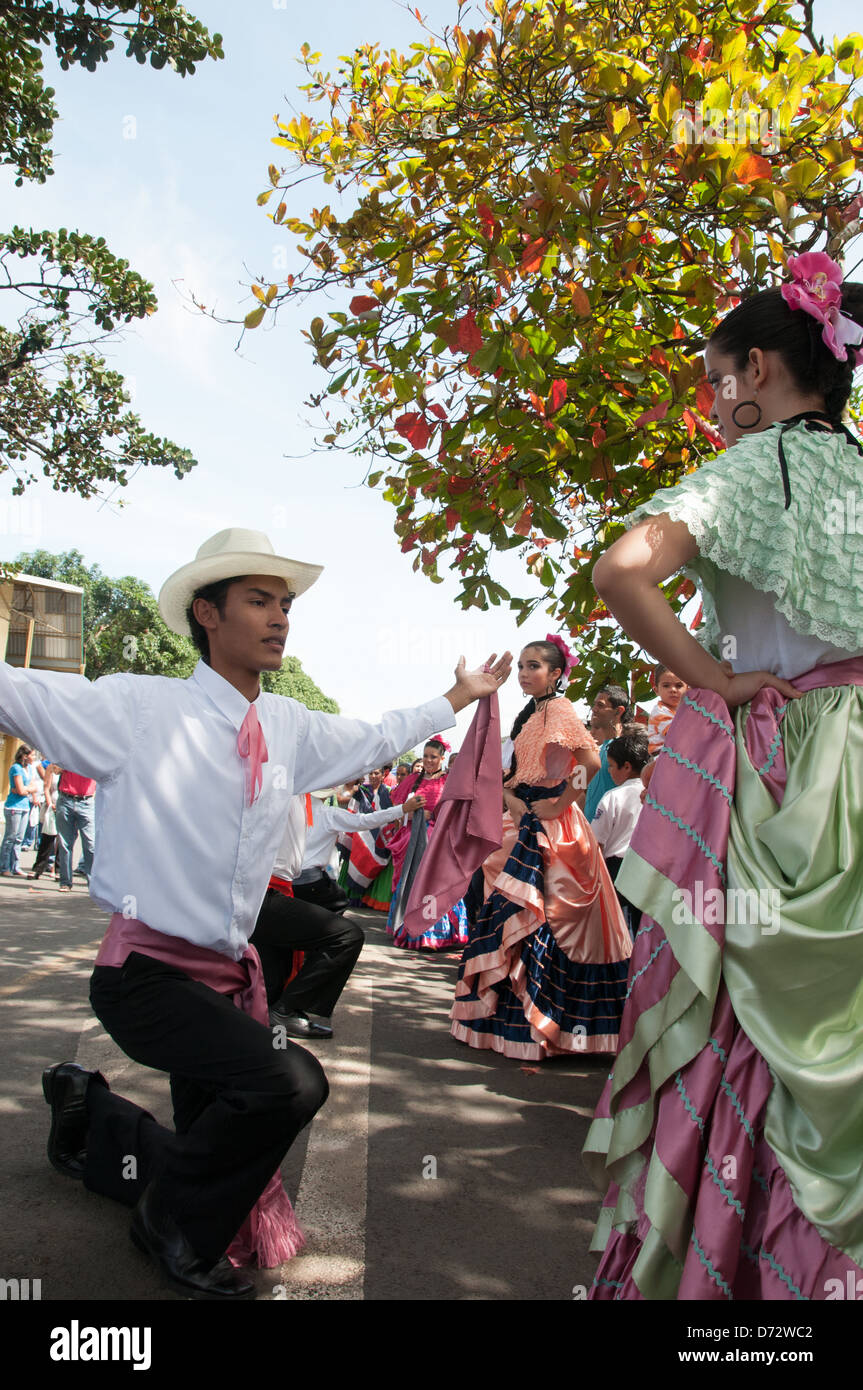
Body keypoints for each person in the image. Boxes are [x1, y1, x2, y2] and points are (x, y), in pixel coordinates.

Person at [26, 526, 511, 1299]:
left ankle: (88, 1110)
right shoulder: (137, 708)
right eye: (259, 600)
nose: (280, 617)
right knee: (290, 1085)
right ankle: (169, 1229)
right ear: (207, 613)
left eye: (284, 604)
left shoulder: (286, 725)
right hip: (145, 978)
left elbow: (374, 736)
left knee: (210, 1145)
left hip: (224, 979)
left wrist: (458, 697)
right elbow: (25, 693)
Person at [583, 252, 863, 1299]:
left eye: (712, 380)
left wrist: (711, 677)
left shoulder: (755, 467)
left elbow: (620, 569)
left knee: (746, 1025)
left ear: (755, 367)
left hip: (784, 765)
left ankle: (726, 1286)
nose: (710, 403)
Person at [451, 637, 633, 1058]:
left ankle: (548, 1030)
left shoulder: (562, 709)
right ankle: (508, 1025)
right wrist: (513, 799)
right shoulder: (529, 714)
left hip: (554, 825)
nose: (523, 674)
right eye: (521, 666)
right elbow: (511, 774)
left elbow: (589, 764)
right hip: (522, 818)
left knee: (546, 920)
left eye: (534, 666)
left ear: (556, 674)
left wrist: (563, 802)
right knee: (512, 916)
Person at [254, 785, 425, 1039]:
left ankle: (279, 1010)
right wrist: (403, 808)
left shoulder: (303, 805)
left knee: (283, 957)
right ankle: (287, 1008)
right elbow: (365, 820)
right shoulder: (308, 807)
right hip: (280, 888)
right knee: (342, 935)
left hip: (278, 888)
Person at [384, 736, 470, 949]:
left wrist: (433, 816)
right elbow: (397, 810)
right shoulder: (413, 780)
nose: (429, 760)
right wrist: (409, 815)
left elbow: (457, 813)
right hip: (411, 838)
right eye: (425, 756)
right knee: (411, 883)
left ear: (442, 758)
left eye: (433, 757)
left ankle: (436, 933)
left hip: (438, 840)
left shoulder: (449, 781)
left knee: (434, 884)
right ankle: (408, 927)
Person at [590, 728, 649, 939]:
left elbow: (596, 843)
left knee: (622, 934)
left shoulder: (613, 797)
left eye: (612, 766)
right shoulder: (657, 795)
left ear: (626, 766)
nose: (609, 772)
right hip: (650, 871)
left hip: (618, 873)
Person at [583, 684, 630, 821]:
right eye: (594, 705)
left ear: (618, 711)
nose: (594, 709)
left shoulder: (625, 749)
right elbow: (582, 791)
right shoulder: (600, 749)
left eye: (600, 705)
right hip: (591, 834)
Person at [55, 767, 96, 892]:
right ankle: (65, 882)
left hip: (86, 801)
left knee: (90, 845)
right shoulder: (68, 753)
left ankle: (93, 883)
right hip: (65, 799)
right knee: (65, 843)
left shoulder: (93, 754)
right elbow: (55, 769)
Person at [0, 745, 39, 876]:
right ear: (24, 756)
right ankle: (4, 866)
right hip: (14, 807)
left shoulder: (29, 769)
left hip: (25, 806)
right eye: (32, 755)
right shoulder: (16, 768)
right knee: (10, 837)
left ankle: (15, 866)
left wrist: (26, 789)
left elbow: (33, 787)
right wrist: (25, 789)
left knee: (19, 839)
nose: (33, 758)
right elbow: (21, 790)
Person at [646, 664, 688, 754]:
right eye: (666, 686)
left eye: (679, 685)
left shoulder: (685, 711)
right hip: (661, 757)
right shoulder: (659, 711)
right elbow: (676, 734)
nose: (673, 689)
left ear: (687, 689)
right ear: (656, 690)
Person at [29, 762, 60, 880]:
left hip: (65, 804)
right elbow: (46, 788)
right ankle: (38, 868)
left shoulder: (69, 767)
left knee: (63, 841)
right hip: (52, 805)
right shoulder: (51, 767)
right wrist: (50, 803)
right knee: (47, 838)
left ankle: (58, 869)